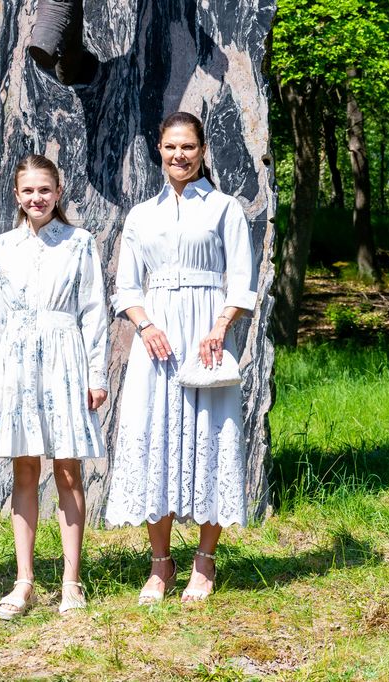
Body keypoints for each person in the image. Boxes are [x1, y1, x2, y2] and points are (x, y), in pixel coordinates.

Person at [104, 111, 257, 604]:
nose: (179, 155)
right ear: (159, 150)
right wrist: (144, 325)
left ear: (203, 149)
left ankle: (205, 563)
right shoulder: (141, 215)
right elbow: (126, 286)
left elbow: (241, 279)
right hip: (158, 340)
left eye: (188, 146)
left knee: (210, 436)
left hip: (207, 336)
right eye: (171, 147)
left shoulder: (224, 208)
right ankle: (160, 564)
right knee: (155, 438)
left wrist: (220, 326)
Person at [0, 154, 108, 620]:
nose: (37, 198)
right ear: (17, 195)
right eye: (28, 191)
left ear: (58, 193)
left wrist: (97, 375)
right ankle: (25, 580)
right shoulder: (2, 247)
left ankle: (71, 582)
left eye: (45, 190)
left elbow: (94, 310)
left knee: (68, 469)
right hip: (15, 362)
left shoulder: (79, 243)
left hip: (64, 359)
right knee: (25, 469)